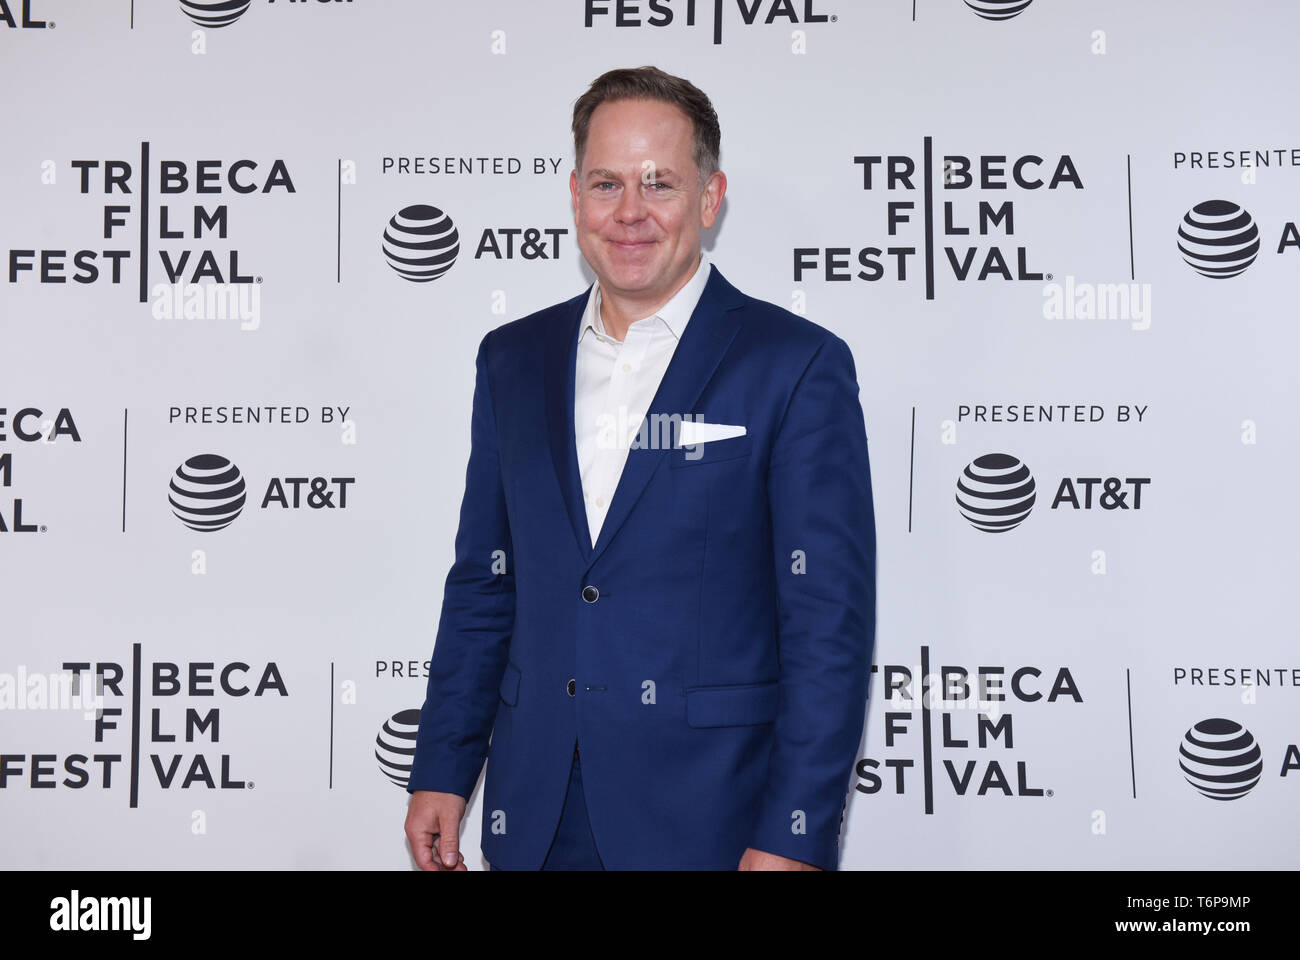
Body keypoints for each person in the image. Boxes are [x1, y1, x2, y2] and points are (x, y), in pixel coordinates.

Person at [403, 66, 876, 871]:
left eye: (659, 182)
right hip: (538, 815)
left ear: (709, 197)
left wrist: (793, 833)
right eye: (606, 182)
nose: (630, 212)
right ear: (575, 196)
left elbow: (827, 627)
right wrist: (445, 765)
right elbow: (487, 584)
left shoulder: (794, 366)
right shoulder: (512, 359)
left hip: (715, 821)